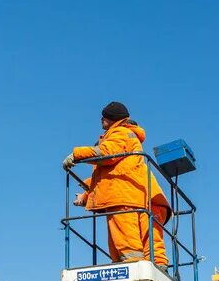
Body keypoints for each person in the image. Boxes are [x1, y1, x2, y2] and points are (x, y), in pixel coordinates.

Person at [64, 102, 170, 266]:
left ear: (111, 118)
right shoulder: (128, 136)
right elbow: (111, 174)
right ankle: (156, 265)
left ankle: (132, 265)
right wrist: (85, 196)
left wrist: (77, 154)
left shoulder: (120, 133)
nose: (101, 120)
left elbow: (107, 154)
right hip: (138, 194)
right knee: (147, 235)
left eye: (104, 116)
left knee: (125, 236)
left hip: (123, 195)